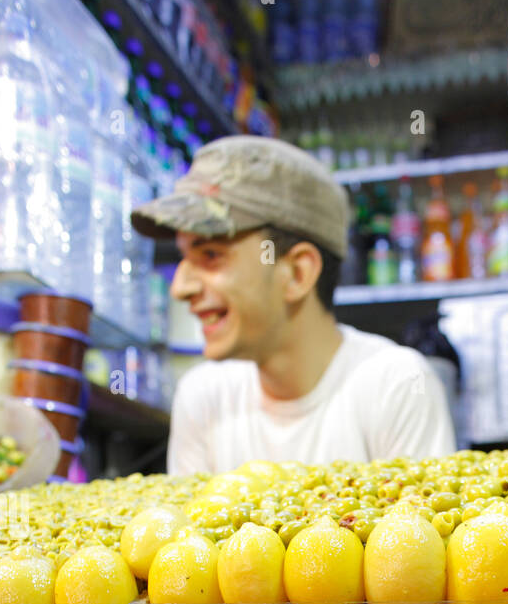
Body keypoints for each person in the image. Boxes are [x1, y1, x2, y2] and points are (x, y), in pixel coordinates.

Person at [132, 137, 456, 475]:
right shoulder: (202, 398)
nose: (180, 287)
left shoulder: (396, 386)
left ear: (298, 273)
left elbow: (418, 526)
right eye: (183, 257)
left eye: (211, 255)